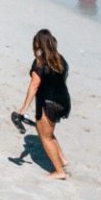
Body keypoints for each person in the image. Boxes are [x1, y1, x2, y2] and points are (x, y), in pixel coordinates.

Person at [15, 29, 71, 180]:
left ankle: (59, 171)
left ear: (38, 46)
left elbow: (34, 86)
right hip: (63, 101)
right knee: (48, 132)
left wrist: (24, 107)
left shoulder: (39, 63)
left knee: (45, 137)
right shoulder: (60, 59)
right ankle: (62, 159)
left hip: (48, 104)